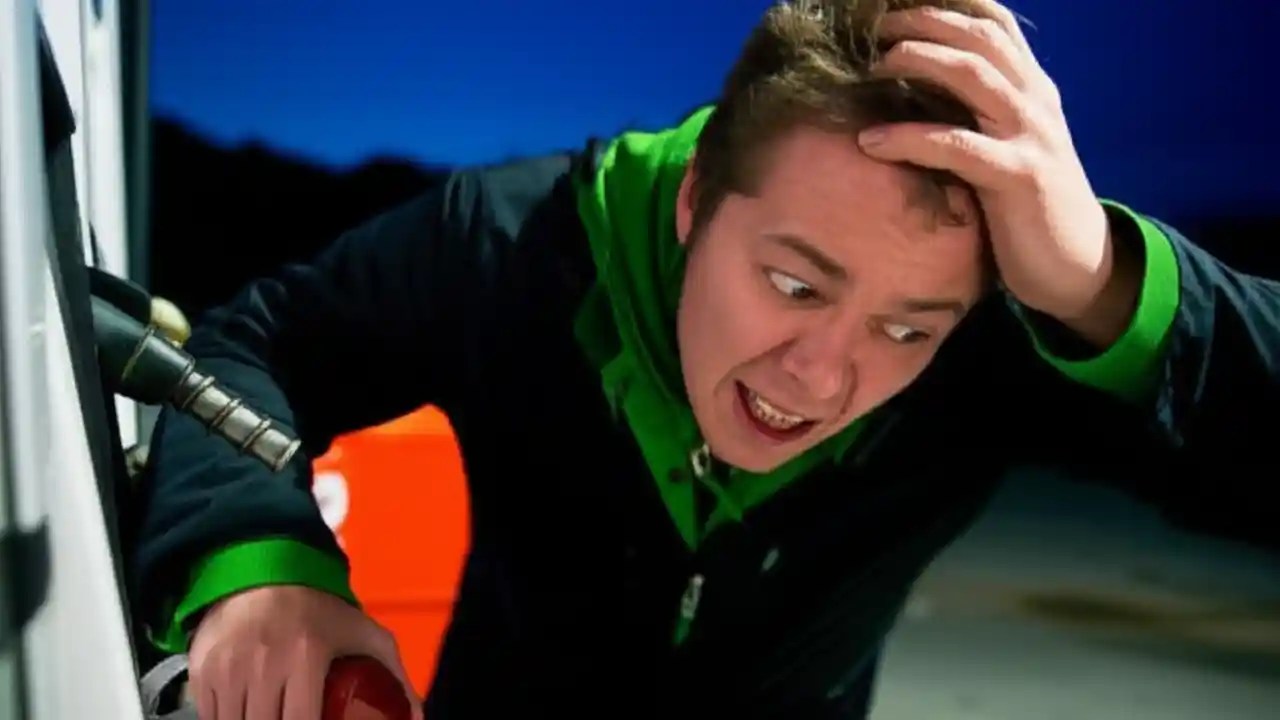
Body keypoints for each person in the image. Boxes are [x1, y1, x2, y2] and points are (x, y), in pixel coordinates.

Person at [128, 0, 1279, 718]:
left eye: (904, 328)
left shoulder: (1008, 333)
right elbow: (247, 340)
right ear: (694, 201)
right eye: (791, 284)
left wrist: (1098, 283)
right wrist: (256, 561)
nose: (817, 377)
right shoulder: (506, 242)